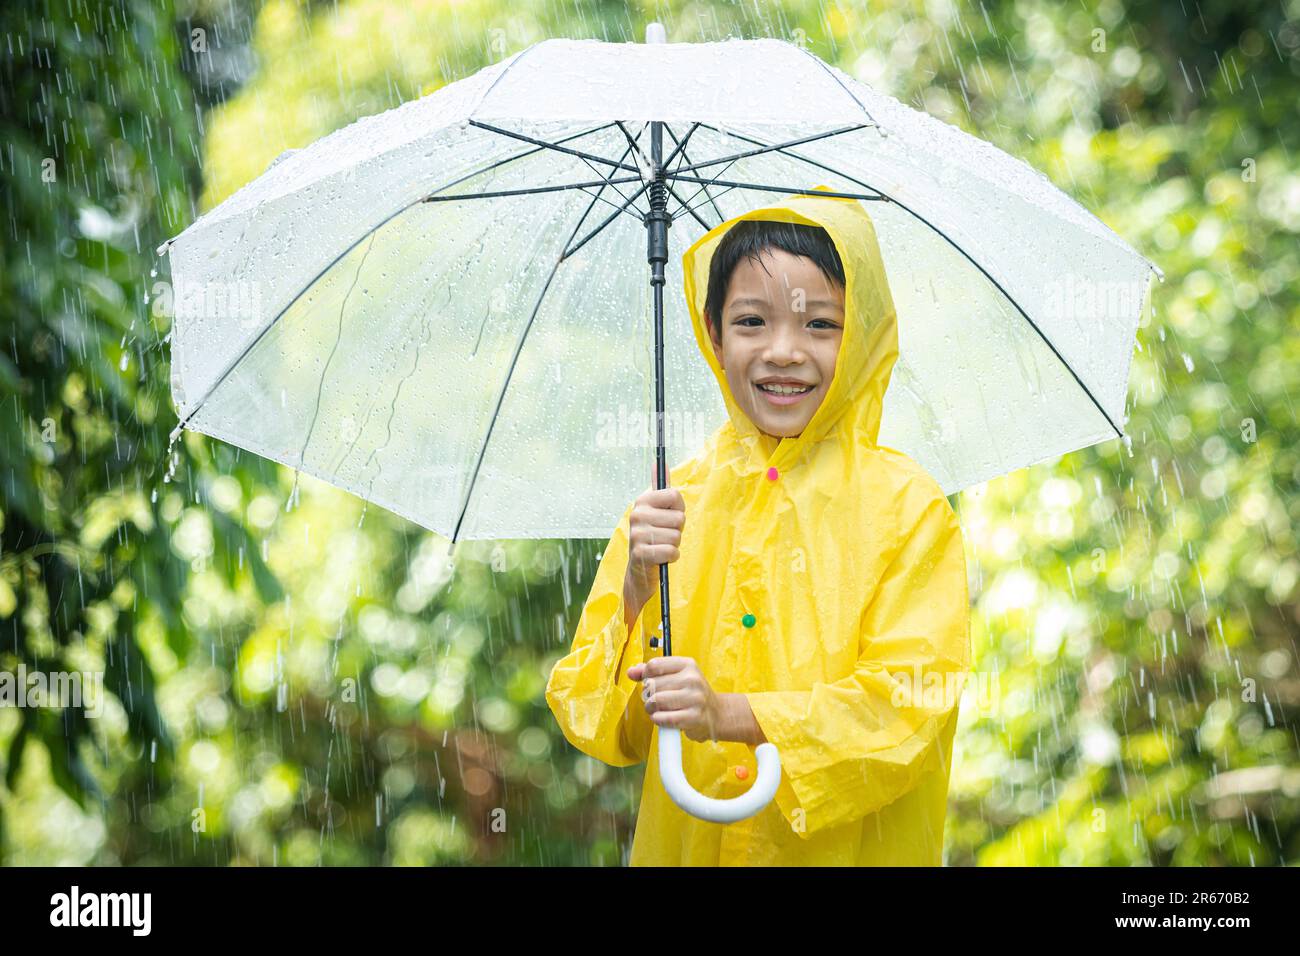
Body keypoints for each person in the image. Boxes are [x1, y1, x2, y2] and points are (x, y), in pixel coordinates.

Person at [545, 186, 972, 865]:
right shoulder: (667, 508)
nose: (784, 351)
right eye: (751, 322)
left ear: (861, 336)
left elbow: (905, 711)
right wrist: (633, 587)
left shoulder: (908, 509)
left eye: (820, 325)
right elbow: (598, 723)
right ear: (711, 334)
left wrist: (731, 716)